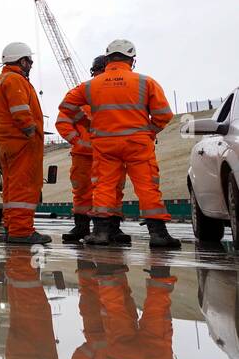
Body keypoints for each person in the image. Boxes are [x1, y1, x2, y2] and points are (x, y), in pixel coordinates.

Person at [57, 40, 180, 249]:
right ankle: (158, 234)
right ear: (132, 59)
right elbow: (164, 114)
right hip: (138, 143)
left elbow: (66, 106)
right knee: (147, 186)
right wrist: (150, 130)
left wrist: (87, 122)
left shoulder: (91, 85)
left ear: (108, 59)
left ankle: (101, 232)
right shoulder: (145, 82)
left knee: (104, 186)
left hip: (105, 145)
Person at [55, 55, 130, 244]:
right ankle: (82, 227)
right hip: (87, 155)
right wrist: (78, 142)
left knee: (113, 190)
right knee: (84, 191)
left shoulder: (112, 93)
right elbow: (62, 121)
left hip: (109, 153)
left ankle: (112, 228)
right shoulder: (83, 93)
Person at [0, 42, 51, 245]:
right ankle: (21, 230)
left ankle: (11, 226)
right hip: (21, 140)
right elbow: (20, 109)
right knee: (24, 185)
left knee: (12, 185)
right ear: (22, 61)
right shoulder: (15, 79)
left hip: (8, 140)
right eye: (29, 61)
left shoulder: (3, 79)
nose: (31, 65)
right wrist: (30, 129)